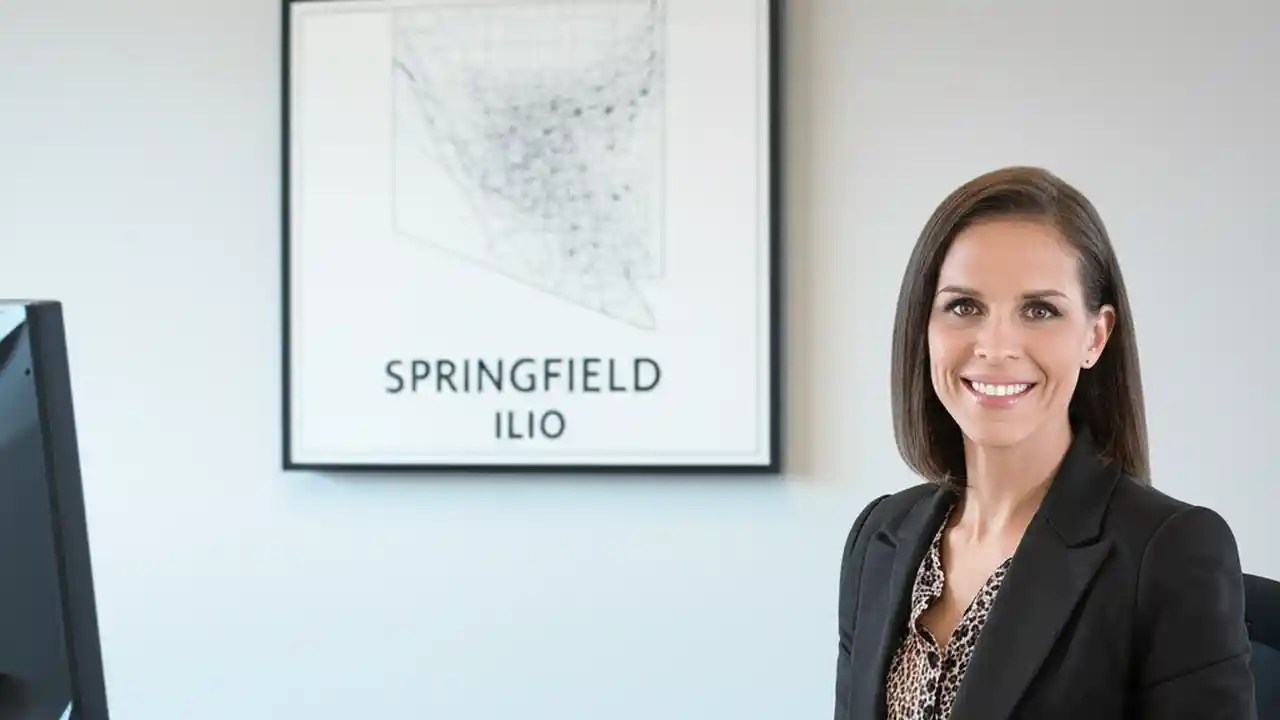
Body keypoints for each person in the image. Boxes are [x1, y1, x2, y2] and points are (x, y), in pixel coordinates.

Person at [832, 166, 1256, 719]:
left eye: (1040, 310)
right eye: (964, 306)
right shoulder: (880, 539)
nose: (996, 345)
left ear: (1095, 336)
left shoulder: (1170, 552)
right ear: (924, 327)